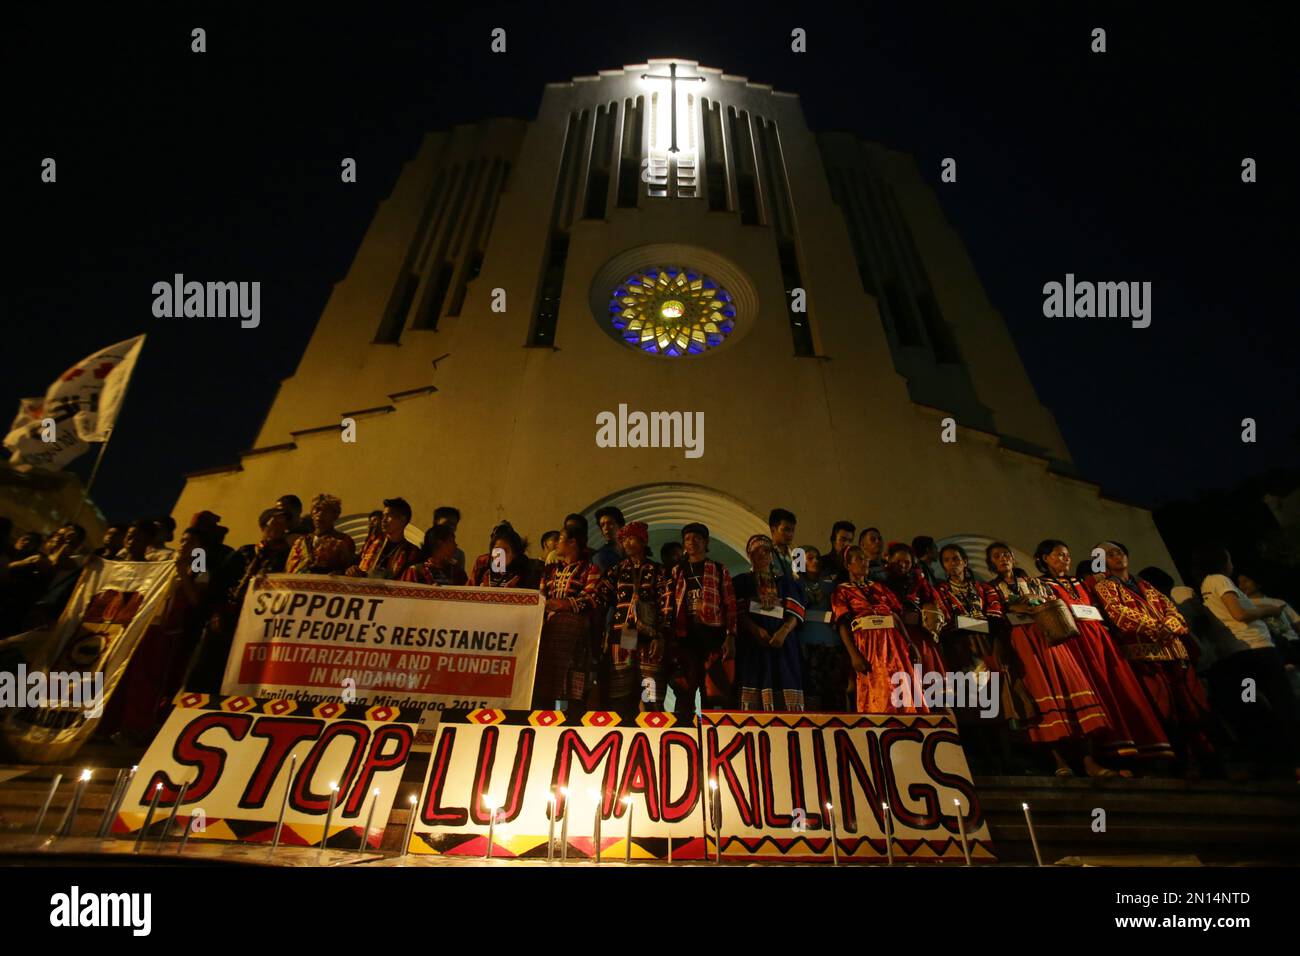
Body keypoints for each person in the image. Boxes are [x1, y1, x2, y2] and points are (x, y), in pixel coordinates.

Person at [1034, 539, 1174, 768]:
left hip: (1101, 637)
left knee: (1119, 687)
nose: (1065, 559)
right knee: (1095, 690)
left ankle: (1143, 750)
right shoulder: (1042, 584)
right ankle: (1109, 753)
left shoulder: (1083, 582)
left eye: (1067, 554)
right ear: (1043, 558)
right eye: (1058, 555)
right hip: (1076, 642)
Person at [986, 541, 1115, 777]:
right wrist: (1017, 608)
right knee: (1040, 696)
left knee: (1069, 689)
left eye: (1006, 554)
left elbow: (1047, 602)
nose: (1003, 559)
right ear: (991, 563)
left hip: (1047, 637)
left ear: (1013, 558)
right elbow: (995, 615)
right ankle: (1058, 761)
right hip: (1020, 643)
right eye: (996, 556)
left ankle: (1088, 760)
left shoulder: (1034, 582)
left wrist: (1028, 605)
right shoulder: (990, 589)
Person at [1088, 541, 1214, 777]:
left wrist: (1168, 627)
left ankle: (1205, 759)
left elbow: (1174, 613)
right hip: (1145, 656)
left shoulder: (1147, 586)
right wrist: (1156, 627)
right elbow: (1118, 613)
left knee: (1192, 707)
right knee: (1163, 709)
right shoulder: (1106, 587)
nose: (1116, 556)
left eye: (1118, 552)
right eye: (1108, 555)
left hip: (1175, 654)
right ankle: (1175, 762)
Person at [1194, 545, 1300, 780]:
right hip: (1256, 651)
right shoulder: (1220, 580)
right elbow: (1239, 614)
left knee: (1254, 708)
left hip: (1239, 656)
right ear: (1222, 561)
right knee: (1283, 704)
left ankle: (1272, 762)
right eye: (1229, 559)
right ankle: (1292, 760)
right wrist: (1267, 611)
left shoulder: (1206, 584)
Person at [101, 526, 211, 743]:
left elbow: (195, 599)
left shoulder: (199, 564)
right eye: (183, 541)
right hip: (144, 625)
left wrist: (181, 571)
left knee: (150, 679)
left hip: (168, 630)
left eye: (191, 542)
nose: (185, 545)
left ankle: (137, 726)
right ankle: (110, 723)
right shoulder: (163, 560)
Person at [935, 543, 1029, 771]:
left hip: (987, 645)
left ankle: (1007, 758)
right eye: (947, 560)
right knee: (970, 703)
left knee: (997, 701)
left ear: (965, 561)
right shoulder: (940, 591)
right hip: (960, 648)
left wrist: (996, 647)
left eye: (956, 558)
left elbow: (995, 617)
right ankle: (984, 758)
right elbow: (945, 622)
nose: (953, 563)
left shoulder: (983, 588)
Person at [186, 508, 292, 692]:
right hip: (208, 614)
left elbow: (205, 579)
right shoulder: (227, 551)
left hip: (253, 620)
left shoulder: (285, 556)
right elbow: (217, 582)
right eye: (274, 522)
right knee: (203, 662)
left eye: (283, 524)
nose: (278, 528)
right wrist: (216, 610)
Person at [831, 545, 928, 714]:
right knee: (878, 686)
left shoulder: (879, 587)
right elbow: (842, 624)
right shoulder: (842, 590)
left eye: (866, 558)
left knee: (901, 683)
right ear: (848, 565)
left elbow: (895, 616)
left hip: (893, 640)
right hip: (868, 643)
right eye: (860, 559)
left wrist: (909, 643)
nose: (865, 562)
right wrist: (854, 655)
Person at [595, 521, 673, 711]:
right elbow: (599, 598)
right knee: (621, 692)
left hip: (650, 636)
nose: (627, 543)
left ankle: (652, 735)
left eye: (631, 538)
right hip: (623, 636)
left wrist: (661, 635)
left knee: (651, 693)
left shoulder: (659, 570)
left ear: (643, 541)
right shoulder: (616, 570)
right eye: (624, 539)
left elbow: (667, 604)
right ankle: (623, 735)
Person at [668, 522, 738, 715]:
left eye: (697, 538)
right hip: (685, 637)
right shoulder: (677, 571)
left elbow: (730, 604)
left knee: (714, 690)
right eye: (688, 538)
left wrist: (730, 635)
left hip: (712, 636)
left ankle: (715, 735)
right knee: (684, 690)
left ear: (706, 542)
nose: (692, 542)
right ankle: (684, 734)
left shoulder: (718, 569)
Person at [534, 528, 604, 710]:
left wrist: (564, 604)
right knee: (546, 687)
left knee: (575, 689)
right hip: (549, 636)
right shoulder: (550, 571)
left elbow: (592, 597)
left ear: (573, 542)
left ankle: (572, 729)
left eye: (561, 539)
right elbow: (541, 598)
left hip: (575, 636)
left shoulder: (589, 569)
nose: (557, 543)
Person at [734, 534, 806, 711]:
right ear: (749, 555)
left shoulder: (786, 582)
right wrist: (756, 630)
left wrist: (783, 632)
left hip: (783, 643)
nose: (762, 554)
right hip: (753, 643)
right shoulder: (741, 582)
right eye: (757, 551)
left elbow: (795, 612)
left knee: (784, 681)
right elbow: (737, 612)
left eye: (766, 550)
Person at [879, 542, 947, 677]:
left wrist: (929, 617)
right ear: (889, 560)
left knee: (926, 676)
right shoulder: (880, 583)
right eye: (898, 561)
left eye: (907, 562)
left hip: (919, 636)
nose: (902, 565)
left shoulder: (919, 582)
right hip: (894, 637)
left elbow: (934, 603)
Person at [796, 546, 850, 711]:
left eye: (818, 558)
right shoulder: (794, 583)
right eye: (810, 558)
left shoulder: (830, 585)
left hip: (832, 645)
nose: (816, 561)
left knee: (835, 692)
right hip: (806, 645)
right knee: (812, 694)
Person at [345, 498, 421, 579]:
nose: (383, 520)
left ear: (403, 520)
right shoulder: (372, 544)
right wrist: (352, 570)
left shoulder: (412, 552)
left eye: (388, 516)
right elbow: (356, 567)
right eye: (383, 516)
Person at [1238, 572, 1300, 666]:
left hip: (1293, 641)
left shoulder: (1278, 602)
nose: (1242, 585)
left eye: (1246, 581)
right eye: (1239, 583)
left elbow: (1297, 623)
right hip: (1271, 646)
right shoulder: (1241, 606)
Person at [286, 493, 356, 574]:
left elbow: (349, 569)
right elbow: (290, 568)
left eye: (326, 511)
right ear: (312, 513)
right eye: (317, 510)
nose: (320, 514)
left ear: (335, 515)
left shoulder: (343, 541)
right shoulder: (301, 542)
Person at [466, 522, 538, 588]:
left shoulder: (523, 568)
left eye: (505, 551)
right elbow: (468, 590)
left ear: (514, 555)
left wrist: (513, 592)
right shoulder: (483, 563)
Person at [403, 523, 469, 585]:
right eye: (451, 541)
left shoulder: (458, 573)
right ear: (440, 543)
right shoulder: (415, 572)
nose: (455, 545)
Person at [431, 506, 465, 572]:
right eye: (447, 524)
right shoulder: (421, 549)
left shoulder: (458, 554)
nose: (450, 528)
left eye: (454, 525)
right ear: (435, 523)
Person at [592, 506, 625, 573]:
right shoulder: (600, 556)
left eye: (610, 523)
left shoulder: (630, 549)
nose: (606, 528)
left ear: (620, 525)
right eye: (602, 525)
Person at [768, 508, 797, 580]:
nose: (790, 534)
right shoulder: (766, 554)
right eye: (786, 530)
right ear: (773, 530)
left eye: (792, 530)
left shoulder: (797, 555)